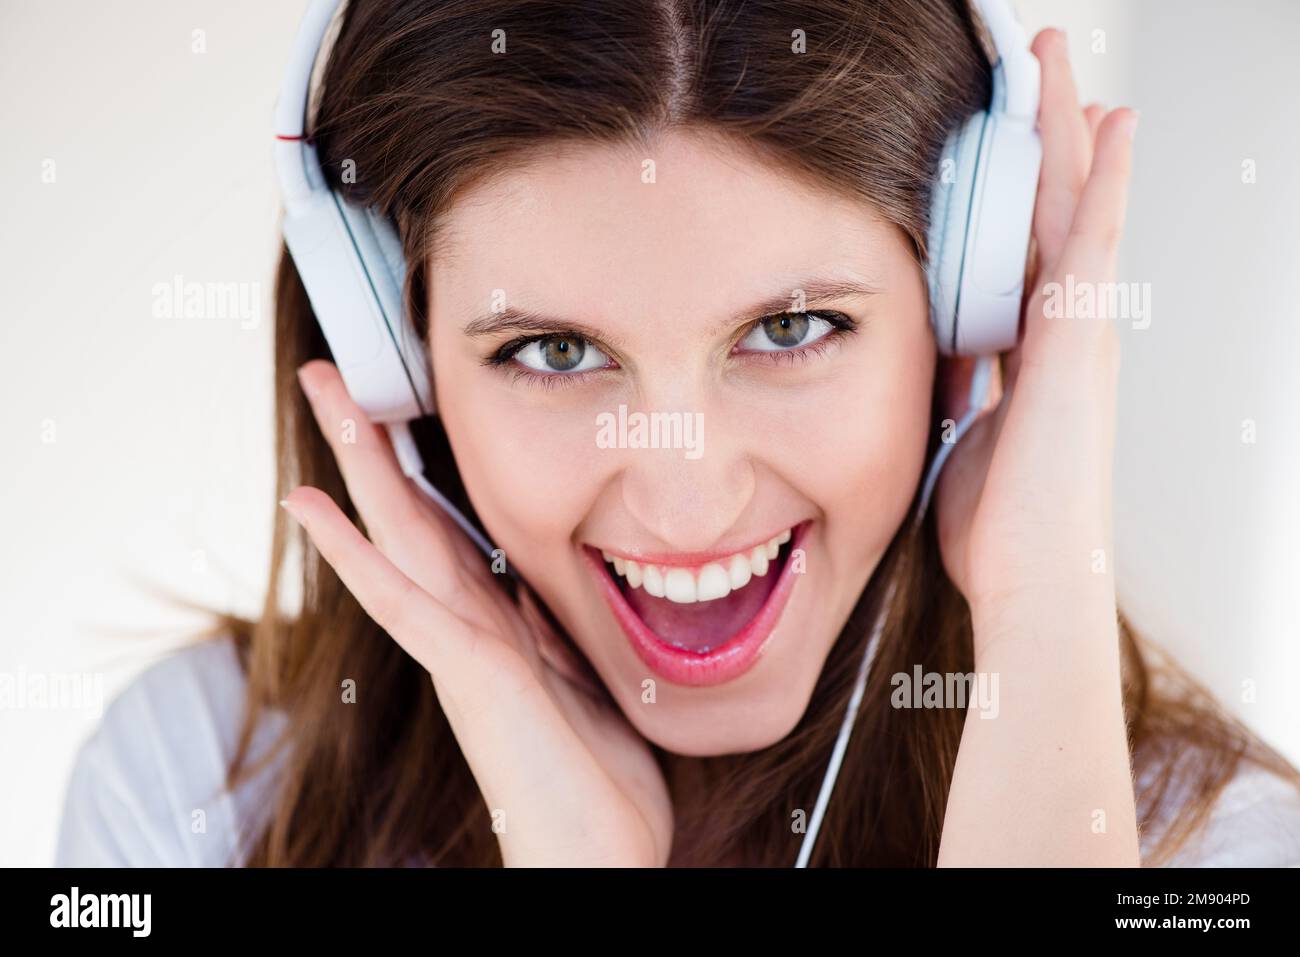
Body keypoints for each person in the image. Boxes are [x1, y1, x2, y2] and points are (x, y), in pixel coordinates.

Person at [56, 0, 1300, 867]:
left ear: (968, 315)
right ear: (394, 357)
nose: (689, 505)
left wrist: (1043, 610)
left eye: (794, 328)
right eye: (552, 352)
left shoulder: (1206, 848)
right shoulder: (197, 789)